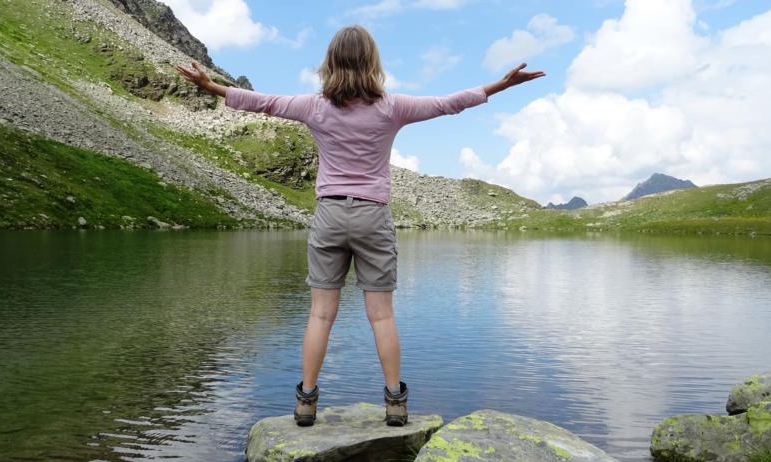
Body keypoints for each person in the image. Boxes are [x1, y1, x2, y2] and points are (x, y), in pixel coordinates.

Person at [177, 25, 544, 427]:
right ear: (372, 62)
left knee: (320, 315)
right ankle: (394, 405)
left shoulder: (314, 106)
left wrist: (210, 85)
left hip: (330, 215)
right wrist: (499, 87)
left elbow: (262, 102)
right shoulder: (391, 107)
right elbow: (447, 104)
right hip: (373, 216)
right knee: (382, 316)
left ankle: (306, 403)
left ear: (330, 63)